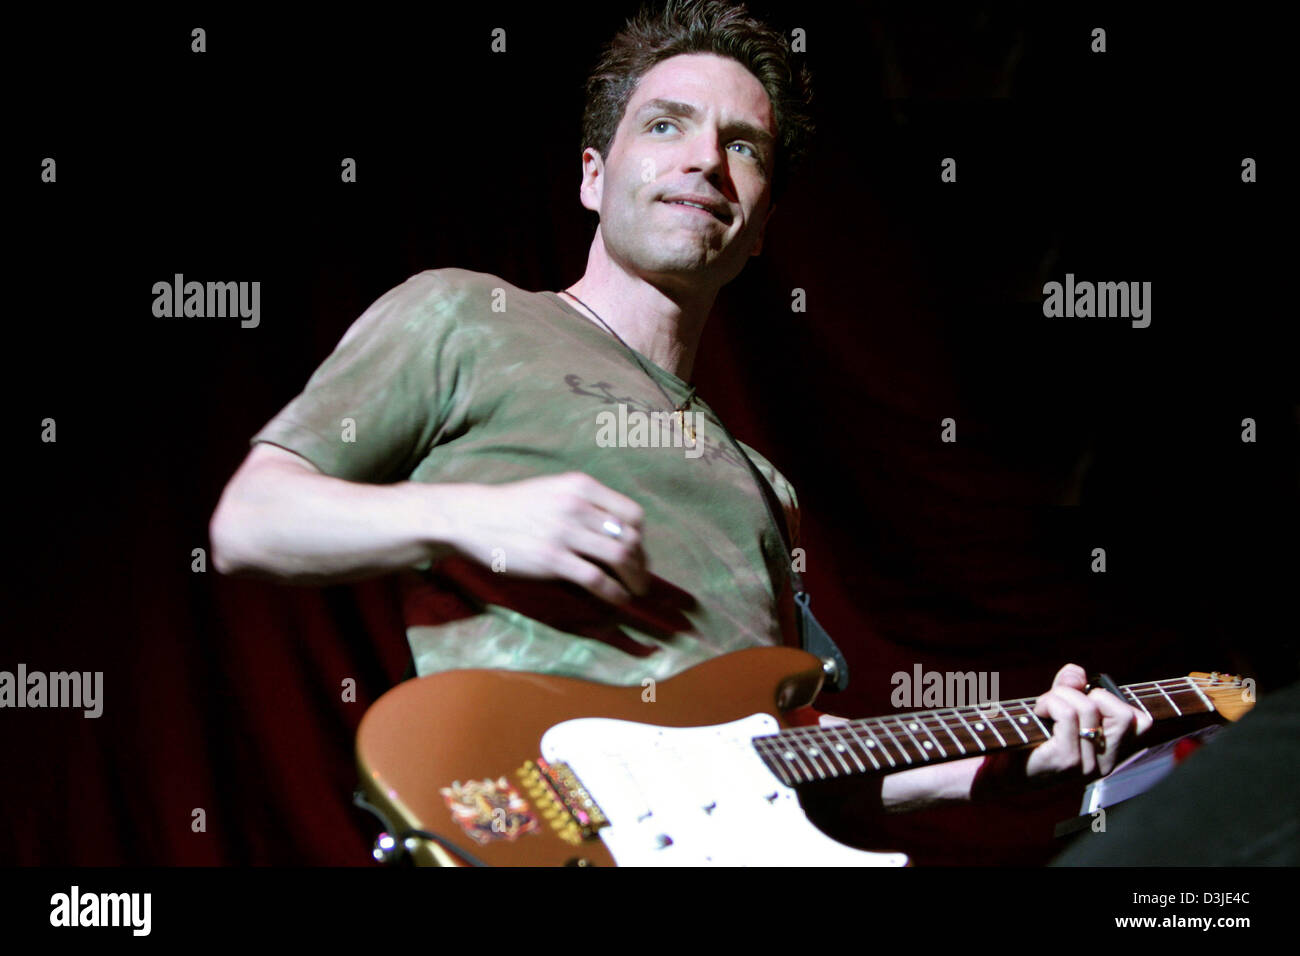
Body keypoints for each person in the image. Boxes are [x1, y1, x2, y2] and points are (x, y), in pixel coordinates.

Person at [209, 0, 1150, 817]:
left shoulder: (761, 485)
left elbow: (778, 766)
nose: (705, 159)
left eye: (743, 146)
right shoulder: (466, 314)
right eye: (666, 125)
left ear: (760, 229)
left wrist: (996, 768)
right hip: (532, 823)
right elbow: (252, 521)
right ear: (591, 176)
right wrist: (477, 516)